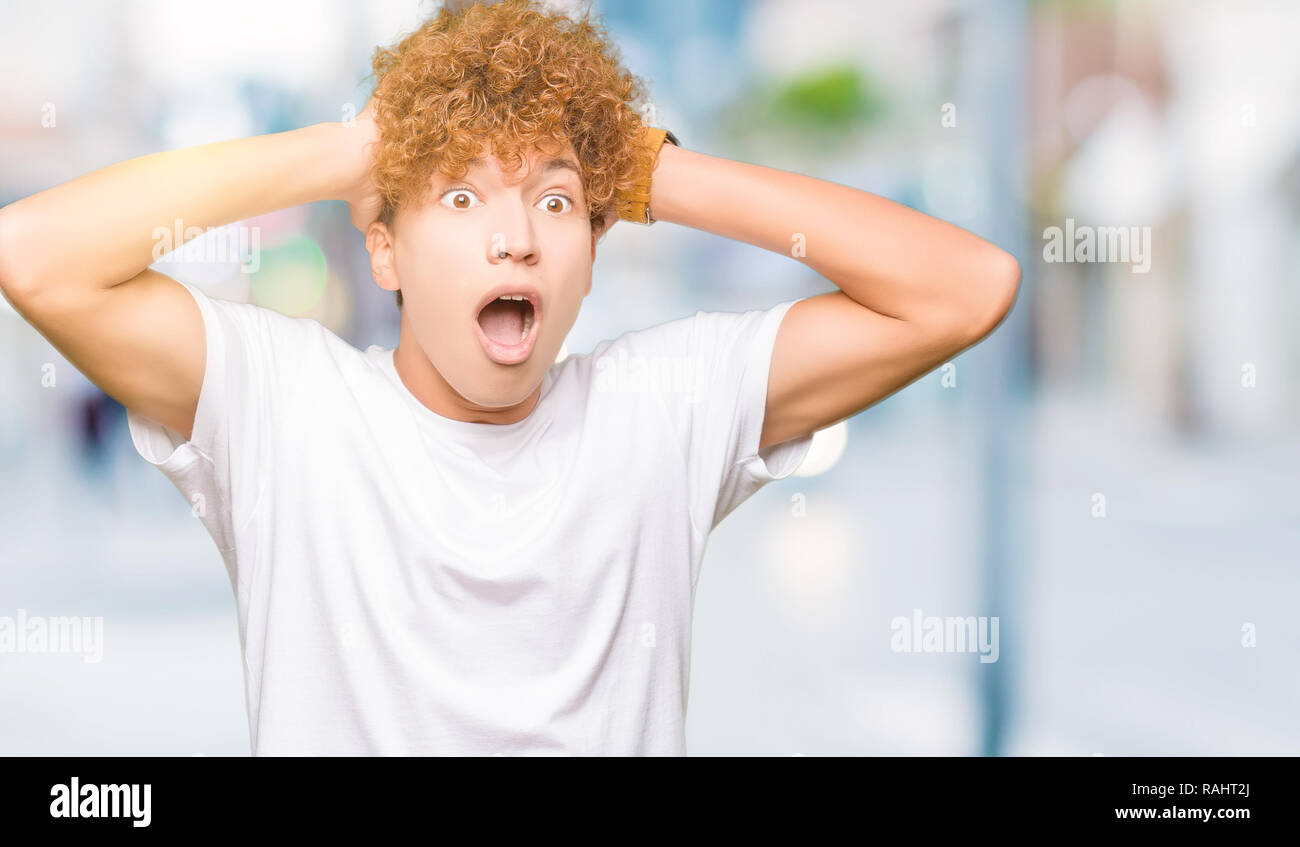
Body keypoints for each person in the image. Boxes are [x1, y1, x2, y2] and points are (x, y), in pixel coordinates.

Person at [0, 0, 1020, 755]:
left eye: (555, 202)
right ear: (384, 253)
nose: (513, 240)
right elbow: (35, 254)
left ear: (594, 244)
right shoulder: (282, 407)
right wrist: (354, 145)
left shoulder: (666, 407)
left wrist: (642, 164)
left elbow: (967, 286)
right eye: (457, 195)